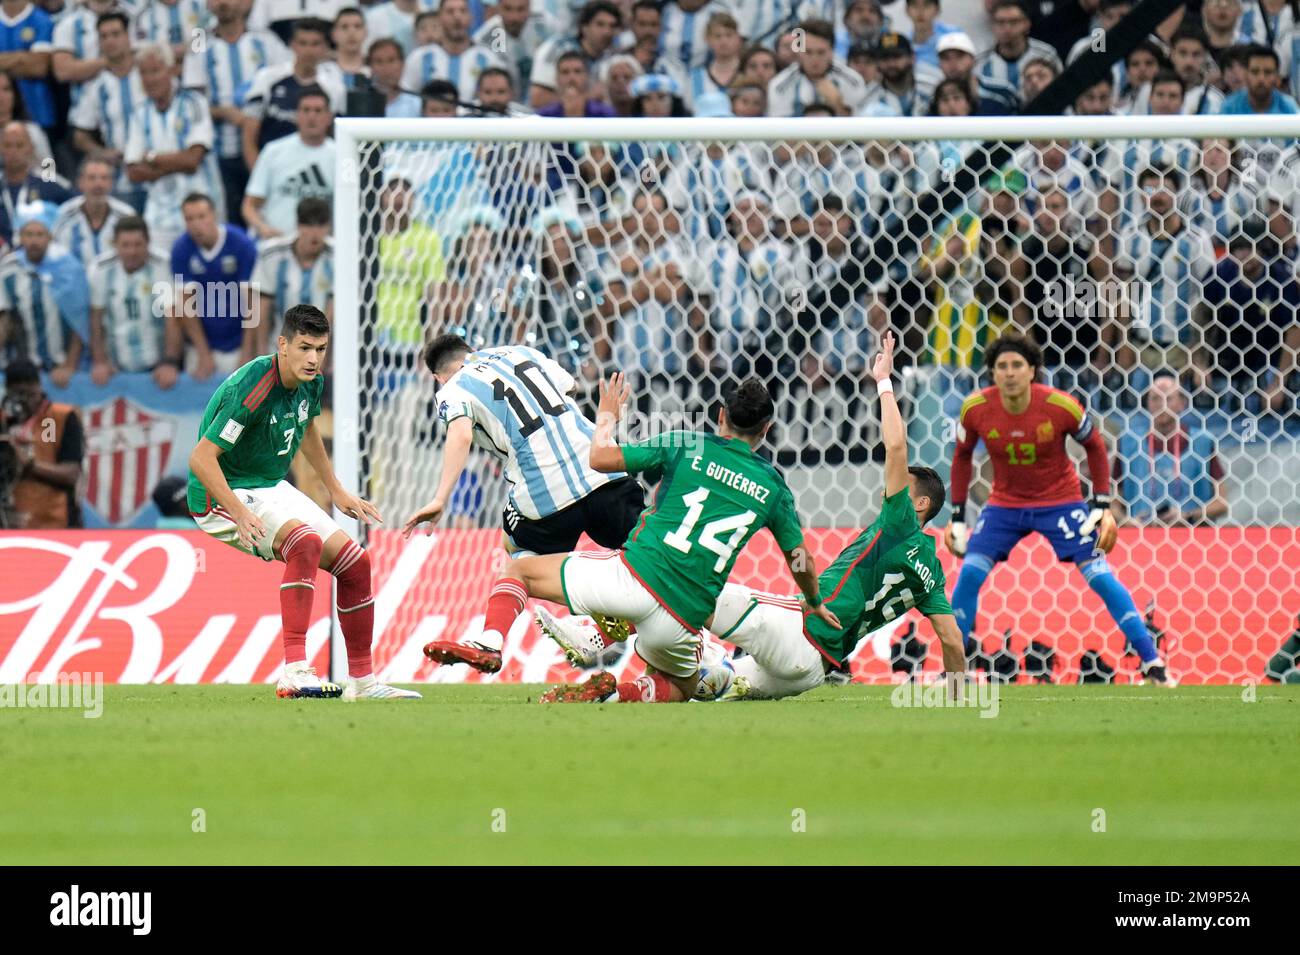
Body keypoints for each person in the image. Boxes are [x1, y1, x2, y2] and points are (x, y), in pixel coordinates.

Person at [536, 332, 966, 699]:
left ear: (920, 504)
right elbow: (950, 639)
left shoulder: (898, 521)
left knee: (682, 587)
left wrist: (884, 382)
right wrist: (957, 697)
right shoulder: (930, 570)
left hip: (798, 626)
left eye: (899, 485)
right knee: (711, 685)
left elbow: (894, 448)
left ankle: (597, 636)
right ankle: (628, 694)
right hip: (812, 673)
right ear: (766, 429)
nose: (886, 487)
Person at [485, 373, 840, 704]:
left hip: (632, 578)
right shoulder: (772, 486)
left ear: (720, 416)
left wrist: (607, 415)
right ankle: (617, 693)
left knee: (519, 571)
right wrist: (813, 599)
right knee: (685, 687)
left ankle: (490, 643)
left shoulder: (685, 444)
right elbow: (799, 558)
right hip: (683, 615)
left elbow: (599, 458)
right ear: (767, 430)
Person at [186, 303, 419, 701]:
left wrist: (336, 490)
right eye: (305, 347)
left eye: (321, 349)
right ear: (283, 344)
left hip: (268, 483)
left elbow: (306, 426)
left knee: (356, 563)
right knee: (305, 542)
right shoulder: (253, 388)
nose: (313, 359)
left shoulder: (311, 382)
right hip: (221, 490)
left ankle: (363, 683)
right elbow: (201, 459)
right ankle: (295, 670)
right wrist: (239, 513)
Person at [401, 335, 649, 674]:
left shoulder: (452, 389)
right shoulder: (522, 352)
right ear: (471, 351)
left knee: (516, 557)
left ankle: (492, 640)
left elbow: (460, 434)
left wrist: (440, 497)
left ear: (439, 376)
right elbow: (570, 386)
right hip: (603, 470)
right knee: (652, 561)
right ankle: (675, 647)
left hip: (545, 494)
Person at [945, 332, 1173, 683]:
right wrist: (958, 515)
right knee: (970, 574)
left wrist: (1100, 503)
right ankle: (954, 674)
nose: (1009, 373)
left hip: (1060, 501)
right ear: (991, 372)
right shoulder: (975, 409)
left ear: (1032, 370)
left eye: (1017, 365)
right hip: (1005, 503)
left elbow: (1096, 447)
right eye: (1001, 366)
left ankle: (1152, 663)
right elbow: (961, 456)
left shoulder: (1061, 405)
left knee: (1100, 577)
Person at [181, 0, 290, 227]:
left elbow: (286, 86)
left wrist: (255, 116)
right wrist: (223, 113)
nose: (224, 3)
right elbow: (191, 101)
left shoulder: (265, 40)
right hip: (219, 151)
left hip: (261, 145)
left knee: (265, 210)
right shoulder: (200, 41)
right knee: (228, 215)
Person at [124, 43, 226, 252]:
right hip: (159, 216)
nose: (150, 79)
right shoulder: (139, 113)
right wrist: (178, 162)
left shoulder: (194, 103)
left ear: (172, 71)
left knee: (208, 280)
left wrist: (152, 158)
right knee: (165, 281)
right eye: (143, 73)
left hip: (202, 207)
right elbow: (133, 172)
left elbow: (193, 160)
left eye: (155, 71)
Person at [1114, 371, 1230, 526]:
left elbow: (1222, 504)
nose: (1161, 404)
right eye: (1155, 398)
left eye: (1168, 398)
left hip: (1192, 537)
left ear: (1183, 403)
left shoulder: (1202, 442)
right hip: (1141, 538)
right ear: (1147, 403)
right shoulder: (1129, 443)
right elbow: (1113, 504)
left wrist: (1188, 516)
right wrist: (1129, 523)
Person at [0, 201, 89, 387]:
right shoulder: (8, 270)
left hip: (65, 368)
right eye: (29, 234)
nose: (34, 241)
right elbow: (4, 320)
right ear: (20, 236)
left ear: (50, 236)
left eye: (40, 234)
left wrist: (69, 365)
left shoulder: (68, 269)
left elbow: (80, 322)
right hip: (22, 370)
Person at [171, 192, 258, 377]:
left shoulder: (241, 244)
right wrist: (203, 353)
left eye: (201, 217)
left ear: (214, 215)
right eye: (189, 219)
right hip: (201, 343)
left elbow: (252, 302)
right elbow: (187, 307)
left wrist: (247, 352)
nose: (196, 224)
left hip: (238, 341)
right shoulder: (180, 250)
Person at [241, 17, 345, 169]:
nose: (309, 50)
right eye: (303, 43)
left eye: (315, 44)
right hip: (272, 168)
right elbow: (249, 136)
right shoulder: (267, 79)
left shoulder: (334, 89)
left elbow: (335, 138)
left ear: (325, 47)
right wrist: (259, 177)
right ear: (292, 45)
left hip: (316, 170)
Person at [88, 215, 179, 388]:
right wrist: (100, 361)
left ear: (148, 242)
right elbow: (96, 318)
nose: (132, 251)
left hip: (157, 366)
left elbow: (173, 318)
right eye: (125, 245)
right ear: (115, 244)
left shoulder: (163, 265)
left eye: (138, 245)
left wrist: (170, 361)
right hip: (115, 366)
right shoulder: (100, 268)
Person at [67, 11, 144, 211]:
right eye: (104, 36)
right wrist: (100, 152)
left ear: (128, 37)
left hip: (157, 167)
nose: (110, 41)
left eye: (116, 34)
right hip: (121, 176)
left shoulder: (147, 74)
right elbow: (79, 135)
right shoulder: (96, 87)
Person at [241, 85, 335, 239]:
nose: (311, 117)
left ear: (329, 117)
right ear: (296, 115)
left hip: (323, 250)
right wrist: (263, 229)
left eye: (318, 111)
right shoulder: (273, 151)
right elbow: (249, 205)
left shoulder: (340, 155)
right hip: (277, 245)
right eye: (306, 110)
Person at [0, 357, 83, 529]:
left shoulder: (52, 419)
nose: (25, 401)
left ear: (39, 388)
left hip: (53, 523)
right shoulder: (4, 419)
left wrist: (27, 464)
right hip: (10, 522)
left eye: (30, 394)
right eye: (18, 394)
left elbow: (70, 473)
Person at [253, 197, 333, 357]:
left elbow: (334, 311)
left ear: (329, 227)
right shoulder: (272, 255)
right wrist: (261, 355)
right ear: (298, 225)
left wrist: (324, 357)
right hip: (280, 349)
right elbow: (261, 307)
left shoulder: (338, 257)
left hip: (323, 354)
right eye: (308, 225)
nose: (315, 233)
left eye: (321, 225)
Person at [400, 0, 507, 101]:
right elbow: (407, 98)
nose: (457, 17)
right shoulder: (419, 58)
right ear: (439, 18)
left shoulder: (488, 59)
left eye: (463, 11)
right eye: (450, 12)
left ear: (471, 18)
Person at [768, 18, 867, 116]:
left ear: (831, 52)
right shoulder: (779, 85)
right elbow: (778, 128)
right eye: (808, 52)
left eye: (821, 52)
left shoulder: (853, 81)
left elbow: (861, 127)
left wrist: (838, 105)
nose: (814, 59)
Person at [51, 154, 136, 266]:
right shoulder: (63, 215)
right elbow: (53, 255)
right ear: (80, 183)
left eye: (104, 178)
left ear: (111, 183)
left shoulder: (126, 216)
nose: (98, 184)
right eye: (91, 178)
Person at [0, 121, 75, 244]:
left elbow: (78, 206)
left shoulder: (49, 180)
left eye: (19, 145)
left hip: (40, 255)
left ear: (31, 148)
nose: (13, 152)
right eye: (8, 145)